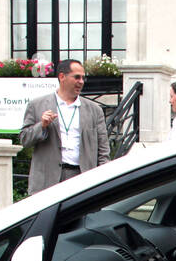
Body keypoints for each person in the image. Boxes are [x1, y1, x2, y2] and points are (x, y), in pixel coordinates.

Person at [19, 59, 109, 195]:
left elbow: (103, 150)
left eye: (83, 78)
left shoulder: (94, 110)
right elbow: (24, 139)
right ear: (62, 77)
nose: (81, 82)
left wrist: (103, 180)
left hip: (82, 177)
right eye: (77, 77)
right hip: (47, 181)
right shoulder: (37, 105)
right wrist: (42, 126)